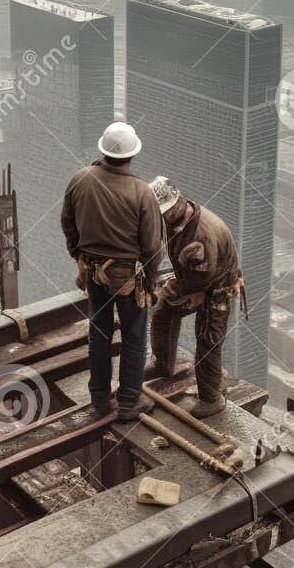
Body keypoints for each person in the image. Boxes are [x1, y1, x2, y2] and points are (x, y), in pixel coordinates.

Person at [61, 122, 164, 420]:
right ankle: (130, 402)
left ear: (102, 150)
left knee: (99, 334)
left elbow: (68, 223)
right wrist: (151, 282)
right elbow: (152, 247)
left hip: (93, 272)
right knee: (133, 337)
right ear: (132, 155)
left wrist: (78, 256)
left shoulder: (80, 179)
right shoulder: (141, 192)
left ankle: (100, 401)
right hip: (128, 277)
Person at [143, 176, 242, 418]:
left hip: (216, 288)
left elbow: (202, 278)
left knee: (208, 340)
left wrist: (174, 288)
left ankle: (212, 398)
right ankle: (164, 364)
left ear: (178, 202)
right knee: (164, 314)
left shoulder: (201, 234)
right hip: (194, 279)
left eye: (165, 211)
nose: (163, 216)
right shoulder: (177, 220)